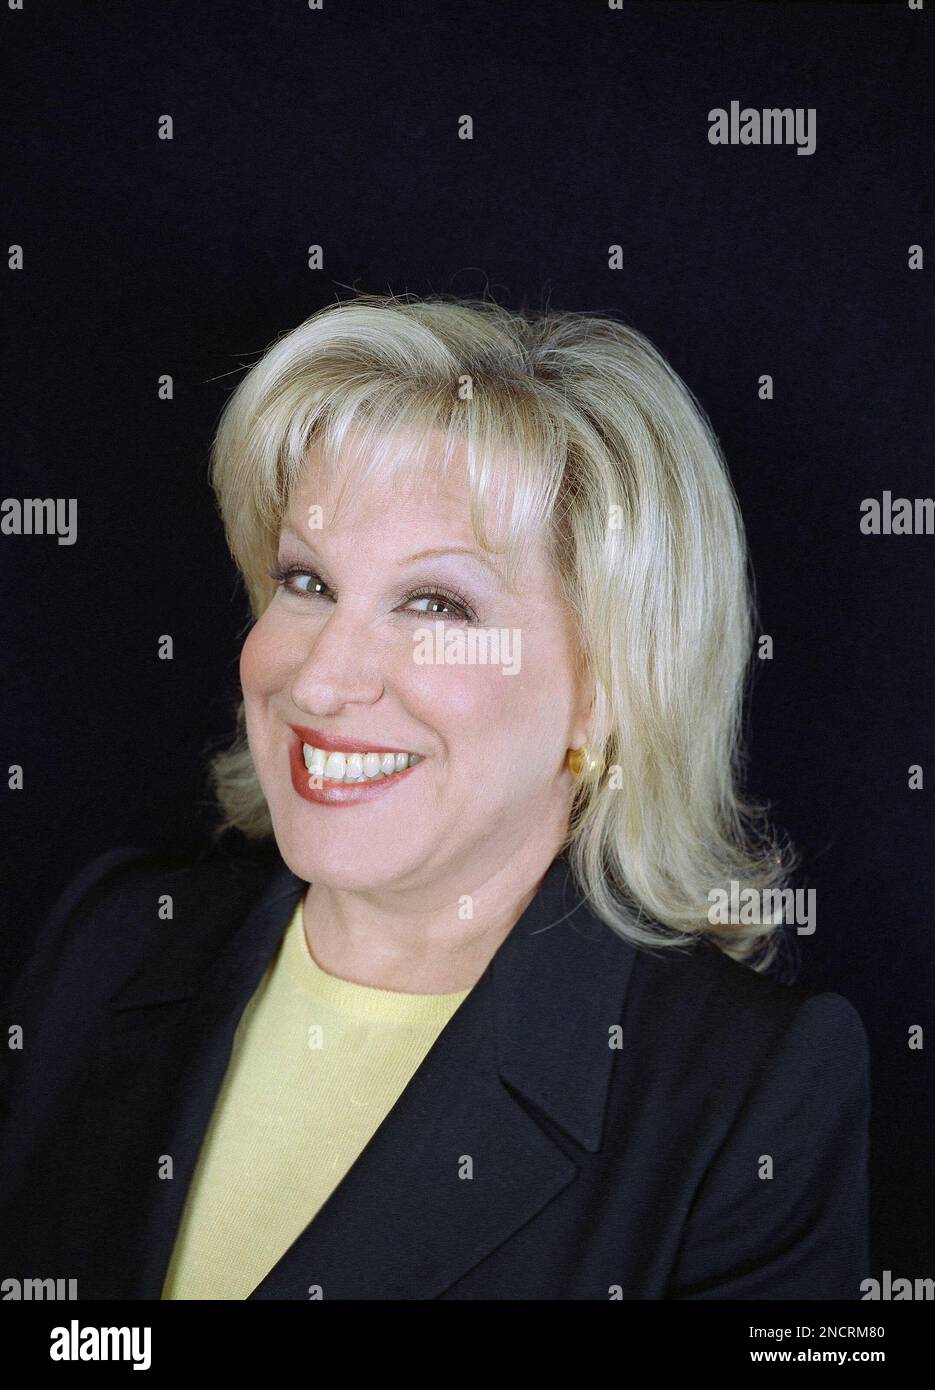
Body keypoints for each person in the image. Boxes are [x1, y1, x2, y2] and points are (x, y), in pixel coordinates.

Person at [0, 292, 870, 1300]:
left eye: (434, 603)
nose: (320, 680)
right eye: (307, 582)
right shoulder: (111, 939)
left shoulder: (746, 1097)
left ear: (605, 691)